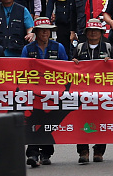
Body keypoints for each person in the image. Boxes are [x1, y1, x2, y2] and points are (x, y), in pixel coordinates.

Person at [24, 18, 67, 168]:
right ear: (35, 32)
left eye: (47, 29)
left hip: (53, 94)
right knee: (33, 122)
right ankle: (32, 153)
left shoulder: (59, 47)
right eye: (41, 29)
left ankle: (46, 153)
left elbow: (66, 69)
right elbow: (22, 70)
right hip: (34, 94)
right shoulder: (28, 49)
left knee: (49, 123)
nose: (44, 32)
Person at [71, 18, 113, 164]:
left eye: (96, 30)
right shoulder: (79, 48)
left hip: (102, 93)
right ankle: (83, 151)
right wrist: (74, 63)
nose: (94, 33)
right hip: (83, 93)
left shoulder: (108, 47)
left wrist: (111, 63)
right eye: (91, 31)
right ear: (86, 33)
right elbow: (69, 68)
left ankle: (99, 151)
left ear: (101, 33)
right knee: (81, 121)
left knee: (101, 121)